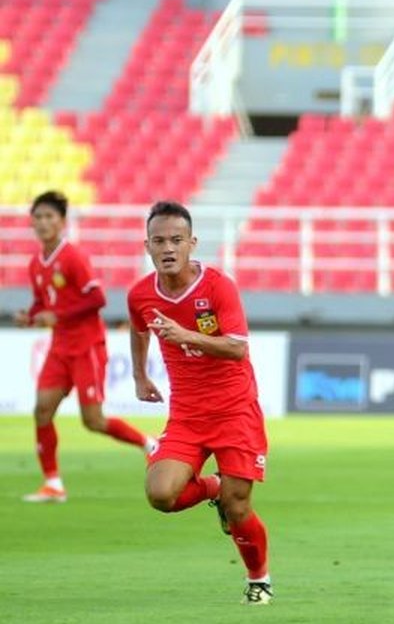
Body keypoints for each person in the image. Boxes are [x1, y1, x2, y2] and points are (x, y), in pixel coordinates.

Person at [127, 201, 273, 605]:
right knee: (161, 495)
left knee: (239, 503)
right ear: (147, 246)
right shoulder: (140, 294)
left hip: (235, 411)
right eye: (159, 241)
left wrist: (186, 335)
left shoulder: (218, 286)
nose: (168, 248)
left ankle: (258, 578)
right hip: (188, 415)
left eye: (176, 240)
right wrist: (140, 375)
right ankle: (213, 490)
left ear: (192, 243)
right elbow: (139, 329)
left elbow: (236, 348)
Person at [16, 190, 155, 503]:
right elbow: (43, 302)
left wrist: (56, 314)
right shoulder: (36, 264)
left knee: (93, 421)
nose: (43, 222)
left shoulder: (72, 257)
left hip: (87, 346)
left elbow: (97, 298)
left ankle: (149, 444)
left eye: (49, 216)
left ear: (62, 222)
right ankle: (53, 484)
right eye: (37, 217)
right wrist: (32, 316)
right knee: (41, 411)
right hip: (59, 347)